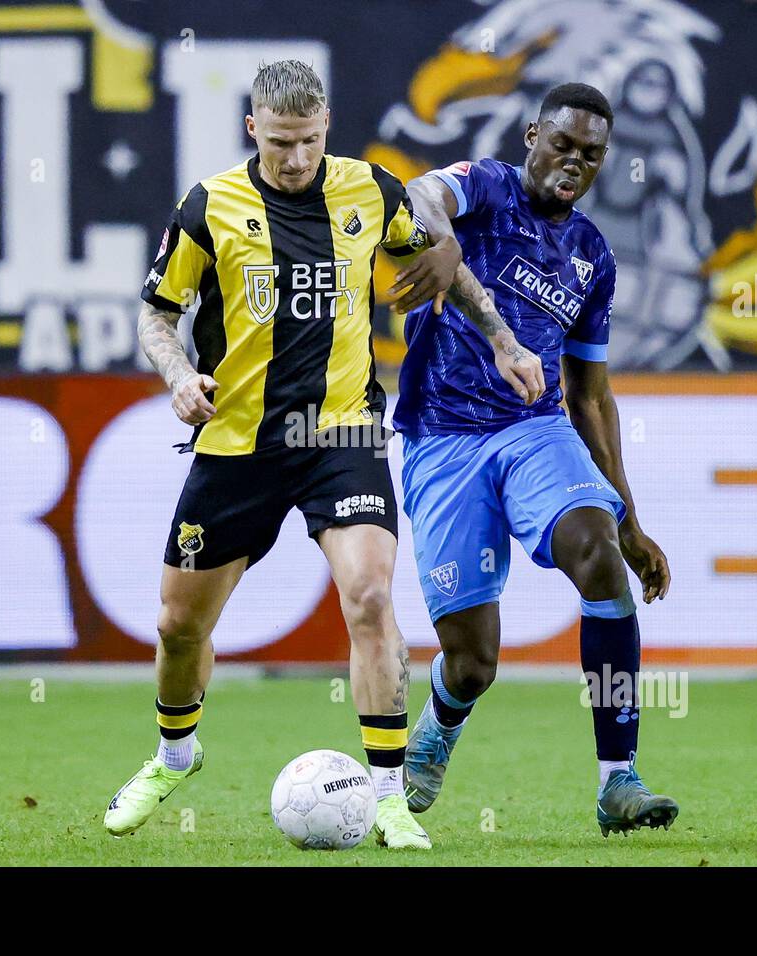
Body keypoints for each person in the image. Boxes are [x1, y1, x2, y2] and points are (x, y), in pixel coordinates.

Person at [103, 60, 460, 849]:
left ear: (325, 126)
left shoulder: (371, 190)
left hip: (342, 433)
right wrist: (176, 376)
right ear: (252, 129)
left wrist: (482, 308)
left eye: (307, 141)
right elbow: (156, 315)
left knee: (369, 597)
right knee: (176, 627)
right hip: (238, 444)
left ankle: (390, 796)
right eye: (280, 144)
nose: (295, 159)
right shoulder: (210, 205)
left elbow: (434, 244)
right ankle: (174, 754)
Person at [389, 82, 679, 836]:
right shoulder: (483, 189)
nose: (574, 161)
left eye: (592, 154)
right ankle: (441, 726)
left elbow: (589, 395)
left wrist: (632, 519)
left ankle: (619, 778)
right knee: (473, 662)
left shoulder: (592, 257)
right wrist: (441, 239)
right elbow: (416, 194)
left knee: (599, 554)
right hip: (442, 440)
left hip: (533, 430)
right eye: (563, 143)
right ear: (532, 135)